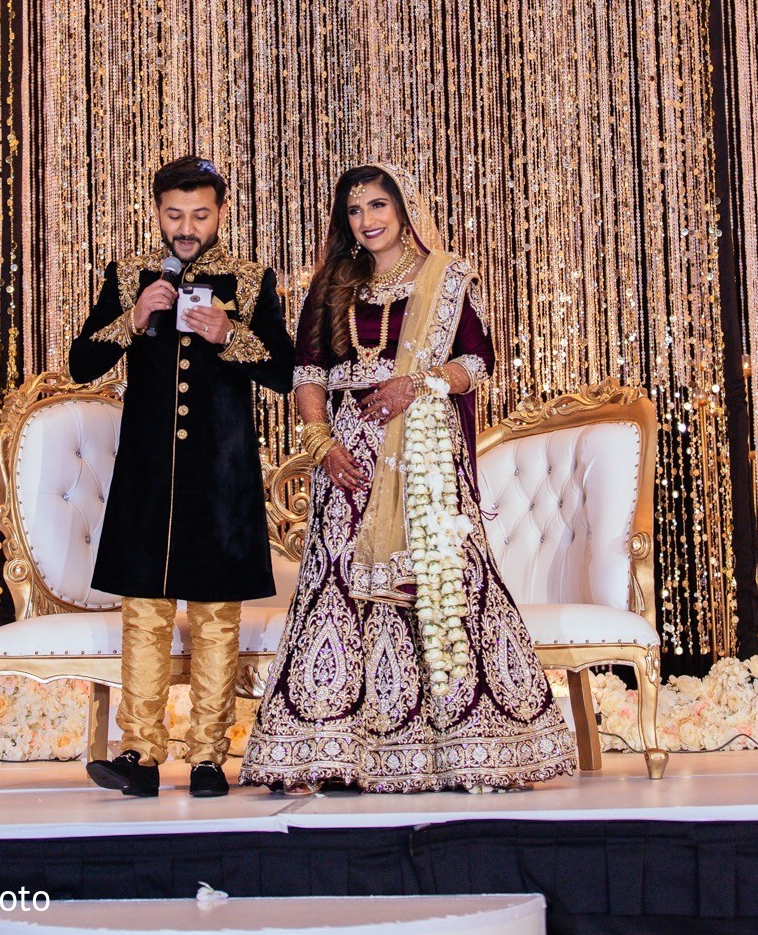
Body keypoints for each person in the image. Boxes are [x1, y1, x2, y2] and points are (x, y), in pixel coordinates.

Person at [240, 162, 576, 793]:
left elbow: (478, 360)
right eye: (353, 211)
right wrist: (320, 445)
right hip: (349, 455)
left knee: (438, 582)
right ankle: (334, 749)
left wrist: (416, 384)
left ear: (400, 208)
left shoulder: (443, 278)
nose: (366, 221)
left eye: (376, 206)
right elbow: (308, 375)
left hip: (423, 452)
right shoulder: (331, 286)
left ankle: (466, 749)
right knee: (341, 584)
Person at [68, 156, 294, 798]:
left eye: (200, 215)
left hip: (221, 475)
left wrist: (233, 335)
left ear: (222, 212)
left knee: (217, 613)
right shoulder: (130, 275)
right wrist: (132, 319)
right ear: (158, 212)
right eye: (175, 215)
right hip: (147, 472)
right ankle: (138, 753)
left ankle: (207, 758)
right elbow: (82, 364)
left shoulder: (251, 282)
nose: (186, 228)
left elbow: (285, 372)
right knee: (143, 610)